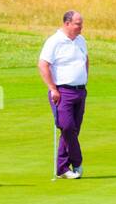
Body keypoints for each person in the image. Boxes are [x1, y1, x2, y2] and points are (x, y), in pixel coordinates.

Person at [38, 10, 89, 180]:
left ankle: (62, 169)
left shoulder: (81, 40)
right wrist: (53, 88)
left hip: (80, 91)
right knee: (67, 127)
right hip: (62, 92)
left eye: (81, 24)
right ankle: (77, 161)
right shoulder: (55, 41)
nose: (81, 27)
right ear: (67, 23)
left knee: (74, 130)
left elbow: (85, 60)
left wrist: (84, 79)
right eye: (77, 24)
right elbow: (43, 65)